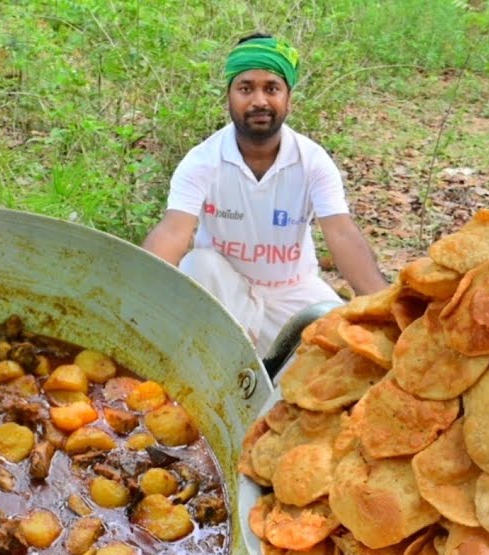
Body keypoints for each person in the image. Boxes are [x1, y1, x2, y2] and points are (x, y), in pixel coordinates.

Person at [142, 34, 389, 355]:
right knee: (198, 264)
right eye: (246, 89)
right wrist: (136, 295)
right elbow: (174, 230)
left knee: (341, 354)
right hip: (223, 292)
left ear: (289, 99)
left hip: (293, 294)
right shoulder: (202, 160)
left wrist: (386, 306)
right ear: (229, 97)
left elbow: (341, 234)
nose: (259, 100)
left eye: (271, 88)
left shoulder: (312, 161)